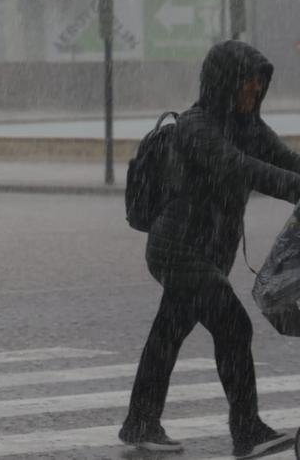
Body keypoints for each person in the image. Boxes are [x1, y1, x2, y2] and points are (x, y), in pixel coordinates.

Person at [121, 41, 300, 458]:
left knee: (167, 333)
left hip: (205, 253)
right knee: (234, 325)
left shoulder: (249, 126)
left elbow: (286, 159)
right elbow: (243, 168)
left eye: (260, 83)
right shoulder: (195, 127)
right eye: (249, 81)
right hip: (177, 250)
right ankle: (247, 431)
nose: (256, 89)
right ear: (226, 81)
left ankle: (140, 422)